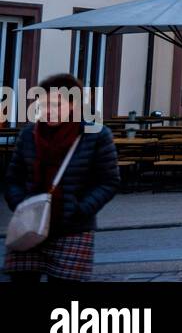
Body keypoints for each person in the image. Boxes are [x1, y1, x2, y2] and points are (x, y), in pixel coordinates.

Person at [4, 73, 120, 283]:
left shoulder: (95, 135)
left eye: (57, 104)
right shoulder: (29, 134)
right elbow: (13, 178)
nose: (49, 110)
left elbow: (108, 182)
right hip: (28, 225)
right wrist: (20, 204)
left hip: (72, 229)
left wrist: (80, 209)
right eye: (44, 103)